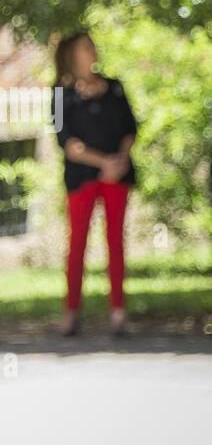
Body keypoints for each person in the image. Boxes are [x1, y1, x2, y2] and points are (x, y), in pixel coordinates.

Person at [54, 32, 138, 337]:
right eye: (86, 47)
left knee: (116, 243)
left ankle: (118, 312)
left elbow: (130, 128)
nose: (93, 51)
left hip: (118, 176)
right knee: (77, 245)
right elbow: (67, 142)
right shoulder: (61, 95)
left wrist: (120, 160)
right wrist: (104, 163)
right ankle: (71, 312)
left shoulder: (114, 87)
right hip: (82, 179)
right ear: (72, 55)